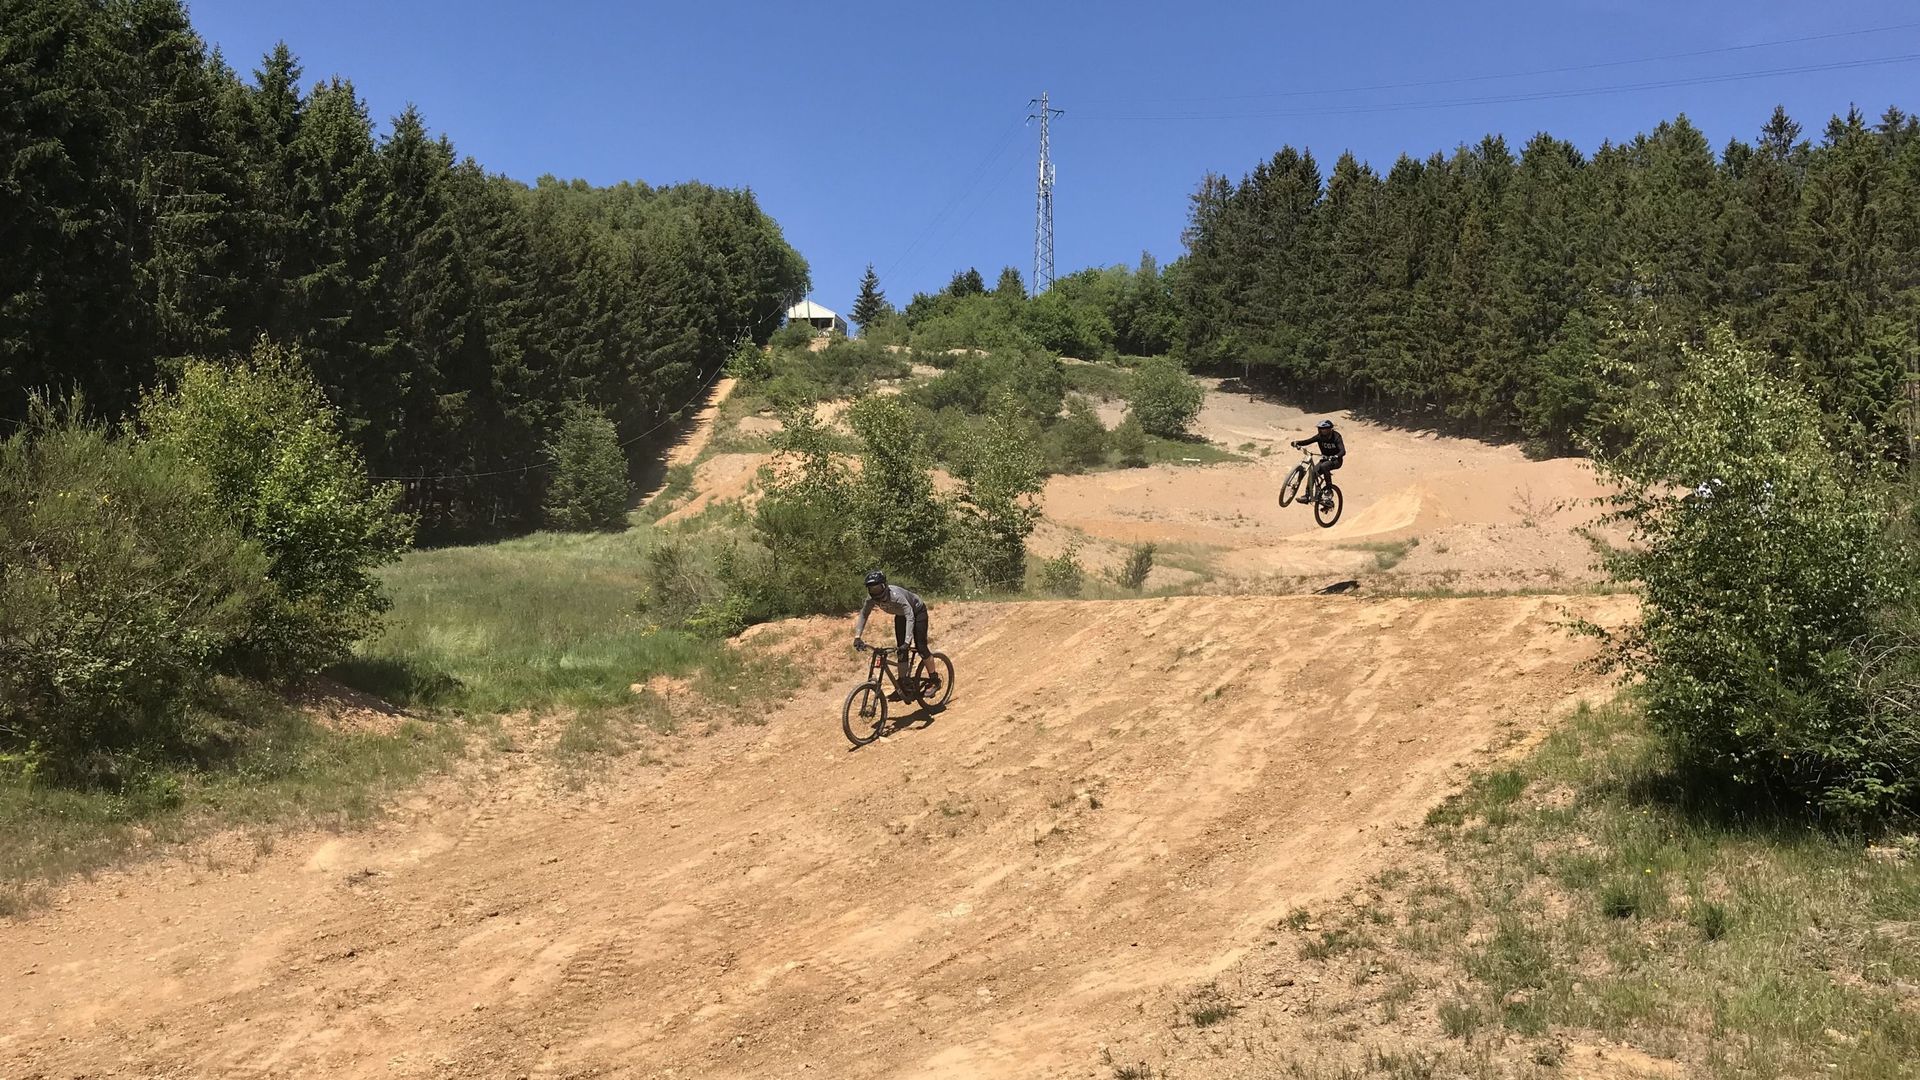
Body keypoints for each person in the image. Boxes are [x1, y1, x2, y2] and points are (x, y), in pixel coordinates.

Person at [853, 571, 931, 701]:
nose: (875, 592)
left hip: (917, 612)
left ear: (884, 586)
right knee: (901, 651)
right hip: (900, 616)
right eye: (872, 589)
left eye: (877, 588)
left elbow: (910, 616)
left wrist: (907, 642)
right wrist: (857, 636)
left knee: (921, 647)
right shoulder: (871, 599)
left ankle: (934, 679)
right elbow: (864, 614)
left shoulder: (896, 596)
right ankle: (903, 684)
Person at [1291, 419, 1346, 506]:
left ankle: (1329, 490)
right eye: (1320, 429)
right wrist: (1297, 443)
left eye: (1323, 429)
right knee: (1313, 473)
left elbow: (1343, 451)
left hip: (1336, 461)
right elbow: (1308, 441)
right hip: (1325, 459)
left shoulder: (1336, 436)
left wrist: (1335, 456)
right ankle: (1307, 496)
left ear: (1329, 429)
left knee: (1324, 466)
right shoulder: (1319, 436)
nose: (1321, 430)